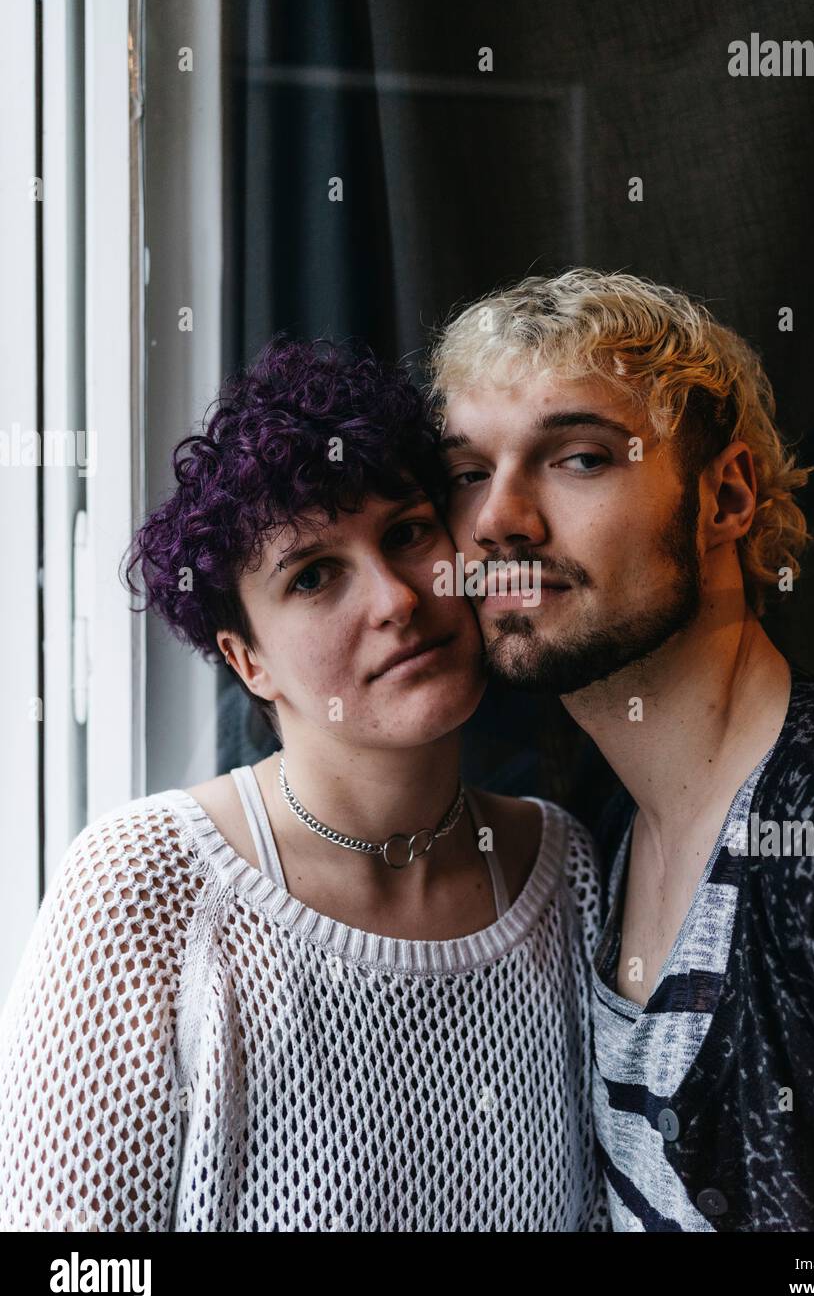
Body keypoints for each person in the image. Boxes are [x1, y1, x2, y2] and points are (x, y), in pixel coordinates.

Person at [0, 336, 607, 1233]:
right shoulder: (142, 891)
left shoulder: (567, 874)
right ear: (250, 663)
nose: (397, 599)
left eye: (406, 533)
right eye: (314, 575)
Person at [428, 266, 814, 1232]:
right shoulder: (614, 835)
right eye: (470, 471)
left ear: (725, 497)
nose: (497, 520)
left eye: (581, 457)